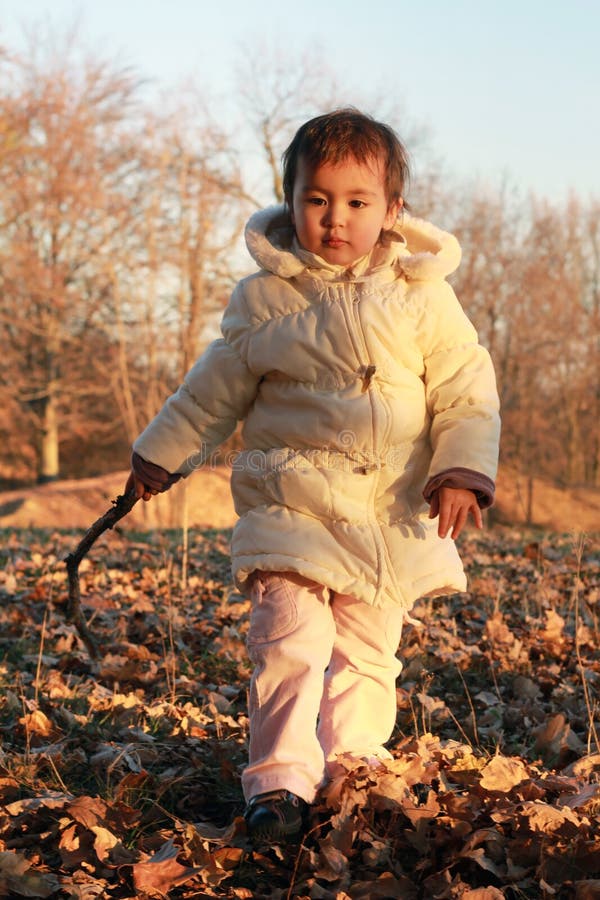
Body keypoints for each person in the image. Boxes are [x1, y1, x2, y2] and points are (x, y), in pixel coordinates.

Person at [126, 109, 501, 844]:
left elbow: (466, 387)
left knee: (367, 653)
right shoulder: (266, 300)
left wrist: (460, 468)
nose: (335, 219)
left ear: (393, 211)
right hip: (288, 507)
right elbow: (211, 392)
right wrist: (162, 453)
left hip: (386, 515)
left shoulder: (421, 294)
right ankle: (278, 785)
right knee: (289, 641)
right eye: (317, 199)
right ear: (291, 199)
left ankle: (352, 770)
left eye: (357, 202)